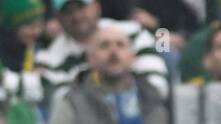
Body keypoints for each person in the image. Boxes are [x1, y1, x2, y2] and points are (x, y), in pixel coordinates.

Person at [39, 0, 169, 105]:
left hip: (140, 113)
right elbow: (62, 103)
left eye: (81, 7)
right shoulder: (48, 59)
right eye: (67, 11)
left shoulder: (132, 32)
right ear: (58, 17)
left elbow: (158, 87)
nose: (76, 16)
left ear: (97, 6)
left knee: (169, 53)